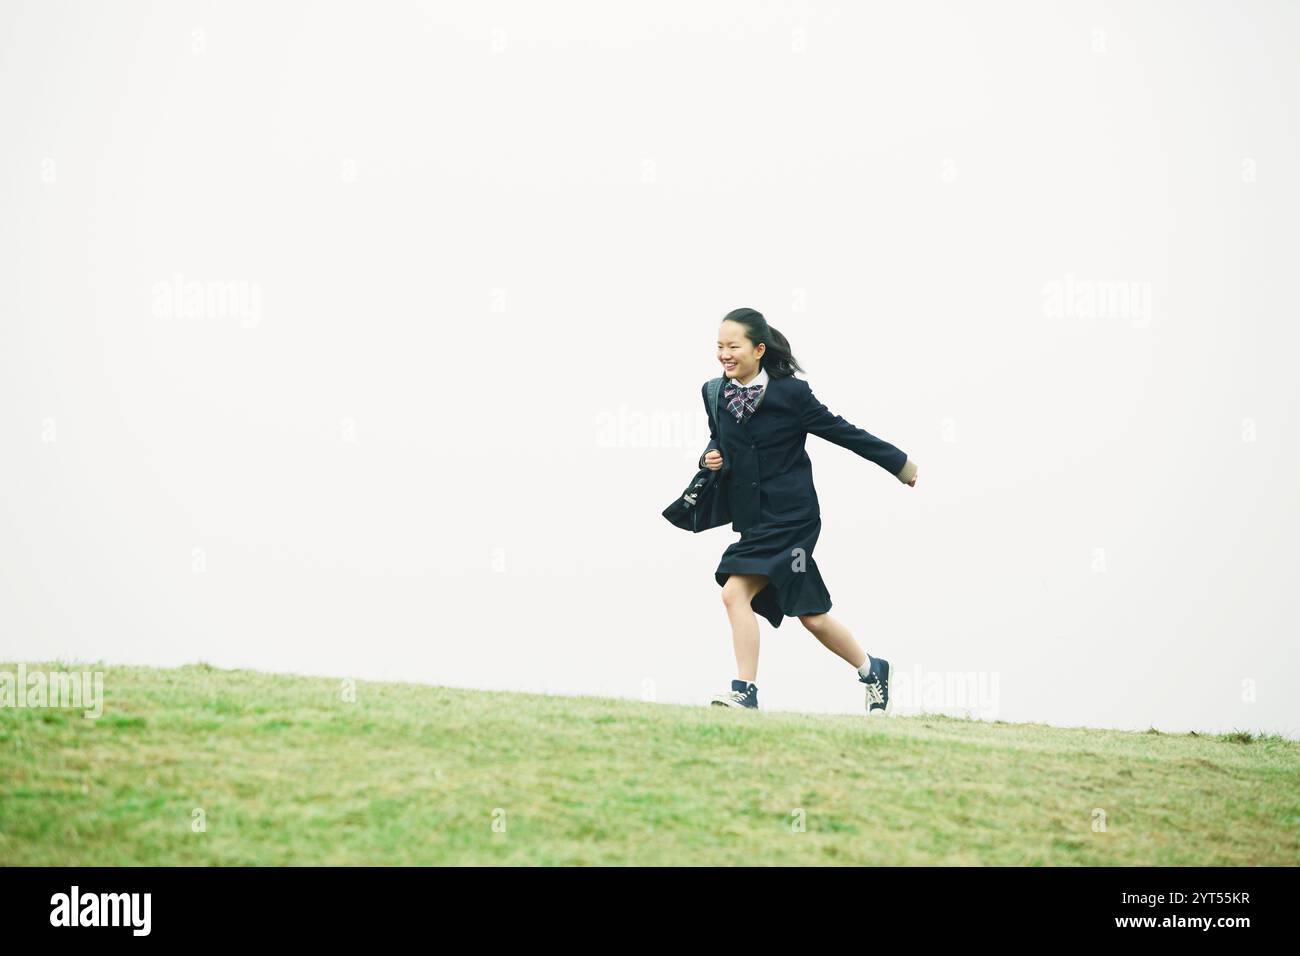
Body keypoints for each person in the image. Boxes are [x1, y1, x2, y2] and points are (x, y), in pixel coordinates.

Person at [699, 307, 917, 715]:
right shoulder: (714, 393)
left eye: (733, 346)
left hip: (794, 520)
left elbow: (842, 431)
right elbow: (719, 441)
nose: (724, 354)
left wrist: (899, 465)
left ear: (758, 349)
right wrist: (710, 456)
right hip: (755, 520)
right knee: (812, 616)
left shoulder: (791, 394)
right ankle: (873, 670)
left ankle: (744, 690)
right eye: (719, 346)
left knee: (733, 594)